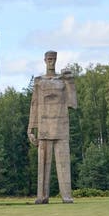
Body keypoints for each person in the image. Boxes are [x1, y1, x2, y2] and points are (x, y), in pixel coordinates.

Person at [28, 51, 77, 204]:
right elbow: (34, 105)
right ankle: (42, 196)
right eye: (49, 59)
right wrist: (31, 128)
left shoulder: (63, 81)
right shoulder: (39, 81)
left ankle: (66, 196)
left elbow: (73, 104)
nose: (51, 62)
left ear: (56, 60)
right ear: (44, 60)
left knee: (63, 164)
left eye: (53, 59)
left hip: (61, 126)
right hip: (44, 127)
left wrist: (70, 82)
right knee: (42, 165)